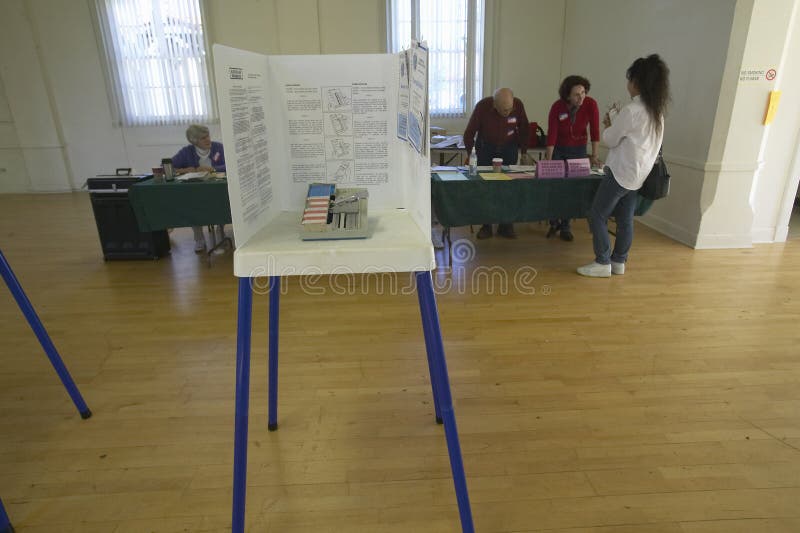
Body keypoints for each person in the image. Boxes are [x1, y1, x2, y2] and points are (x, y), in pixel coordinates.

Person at [577, 54, 670, 278]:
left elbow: (609, 139)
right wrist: (616, 122)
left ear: (637, 82)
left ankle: (602, 261)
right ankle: (619, 261)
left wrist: (611, 122)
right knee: (625, 219)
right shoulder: (657, 113)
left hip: (620, 173)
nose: (627, 84)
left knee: (597, 214)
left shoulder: (631, 110)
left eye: (630, 80)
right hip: (639, 175)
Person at [463, 88, 529, 239]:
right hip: (486, 149)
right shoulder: (483, 107)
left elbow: (524, 128)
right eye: (503, 110)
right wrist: (472, 156)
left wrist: (524, 152)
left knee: (508, 187)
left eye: (509, 109)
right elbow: (469, 134)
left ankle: (506, 225)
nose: (508, 112)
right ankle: (486, 226)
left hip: (509, 149)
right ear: (495, 105)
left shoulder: (517, 105)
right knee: (487, 188)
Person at [545, 75, 600, 242]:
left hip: (579, 151)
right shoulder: (557, 107)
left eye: (583, 92)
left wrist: (595, 155)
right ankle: (554, 222)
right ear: (567, 95)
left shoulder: (590, 104)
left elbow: (595, 131)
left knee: (572, 189)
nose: (581, 97)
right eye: (576, 94)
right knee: (556, 188)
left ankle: (566, 226)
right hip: (559, 150)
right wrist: (548, 159)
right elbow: (552, 134)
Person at [171, 124, 227, 253]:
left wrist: (213, 169)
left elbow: (230, 163)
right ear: (194, 141)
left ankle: (221, 230)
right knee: (191, 205)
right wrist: (185, 170)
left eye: (208, 136)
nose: (208, 140)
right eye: (203, 138)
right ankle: (199, 238)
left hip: (216, 189)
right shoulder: (186, 151)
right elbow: (167, 167)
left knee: (223, 201)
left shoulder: (218, 147)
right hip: (196, 192)